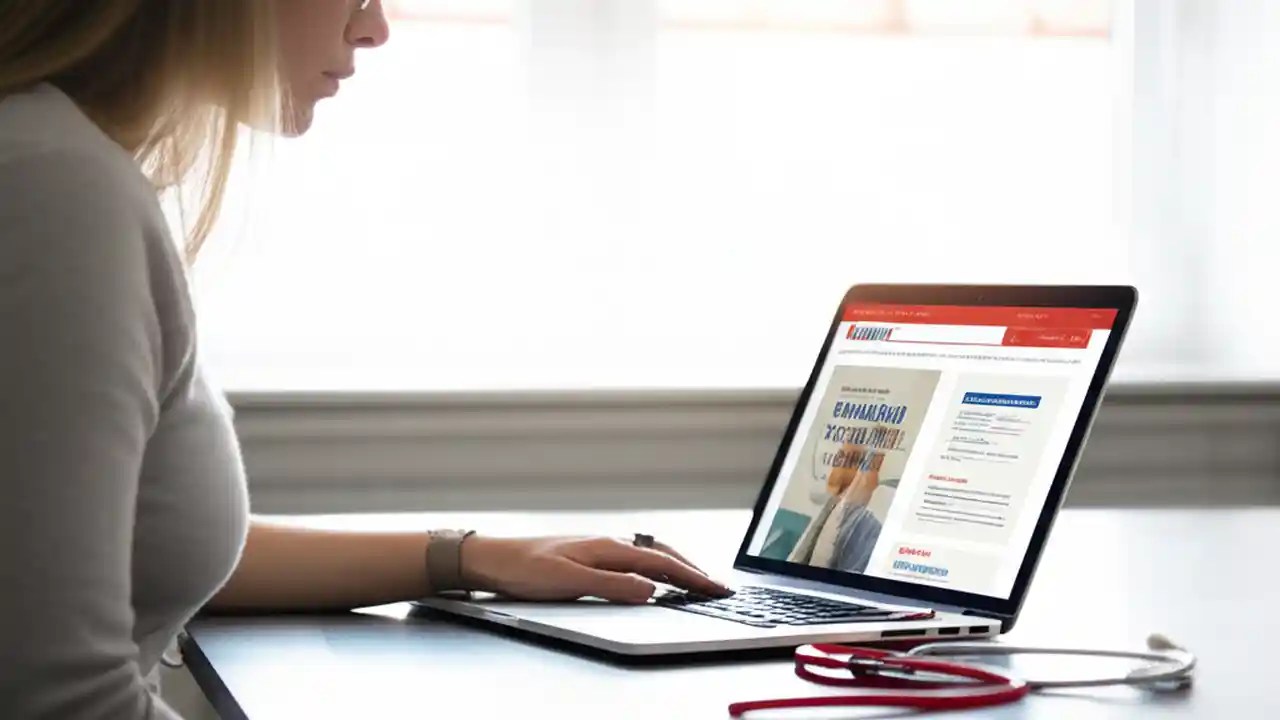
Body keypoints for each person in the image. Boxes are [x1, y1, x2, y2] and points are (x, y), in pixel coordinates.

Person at [0, 2, 730, 718]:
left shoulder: (60, 162)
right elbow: (59, 698)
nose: (376, 27)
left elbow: (132, 543)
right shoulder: (56, 189)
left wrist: (465, 557)